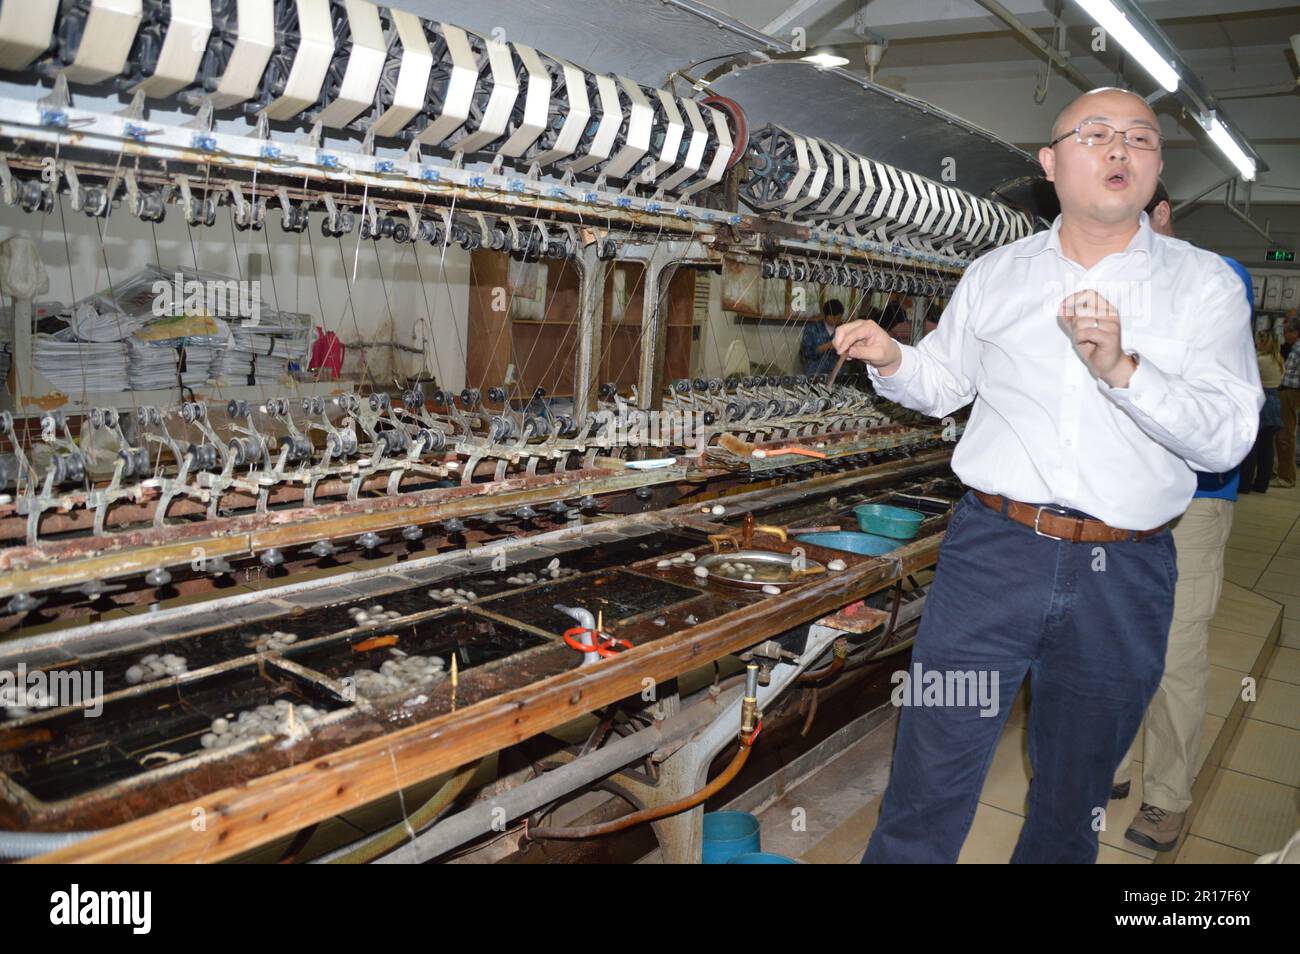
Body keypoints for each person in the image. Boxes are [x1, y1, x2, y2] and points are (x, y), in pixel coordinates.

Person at [834, 87, 1261, 863]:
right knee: (927, 779)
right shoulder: (998, 275)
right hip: (993, 553)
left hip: (1124, 570)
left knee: (1074, 799)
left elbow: (1227, 439)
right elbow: (943, 385)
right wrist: (895, 360)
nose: (1120, 151)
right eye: (1096, 134)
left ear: (1158, 166)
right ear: (1051, 162)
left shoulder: (1205, 286)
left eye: (1140, 138)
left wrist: (1124, 369)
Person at [1112, 184, 1254, 853]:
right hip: (1120, 495)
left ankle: (1167, 797)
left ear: (1162, 214)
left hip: (1196, 498)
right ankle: (1106, 766)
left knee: (1174, 650)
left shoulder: (1215, 278)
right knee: (1110, 637)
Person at [1239, 330, 1285, 493]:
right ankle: (1261, 484)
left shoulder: (1259, 360)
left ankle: (1244, 484)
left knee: (1252, 446)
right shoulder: (1279, 360)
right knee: (1267, 447)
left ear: (1264, 342)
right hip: (1274, 403)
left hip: (1260, 402)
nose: (1256, 344)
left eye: (1258, 341)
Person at [1274, 314, 1299, 489]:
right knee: (1285, 434)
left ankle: (1286, 477)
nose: (1285, 335)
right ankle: (1285, 473)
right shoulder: (1294, 348)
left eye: (1287, 332)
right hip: (1288, 391)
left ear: (1296, 332)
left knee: (1286, 435)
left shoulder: (1298, 349)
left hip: (1291, 392)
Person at [799, 298, 845, 378]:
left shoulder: (843, 329)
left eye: (839, 318)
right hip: (815, 373)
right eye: (834, 318)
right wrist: (826, 346)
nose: (837, 320)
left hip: (837, 373)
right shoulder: (812, 328)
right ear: (825, 315)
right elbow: (805, 353)